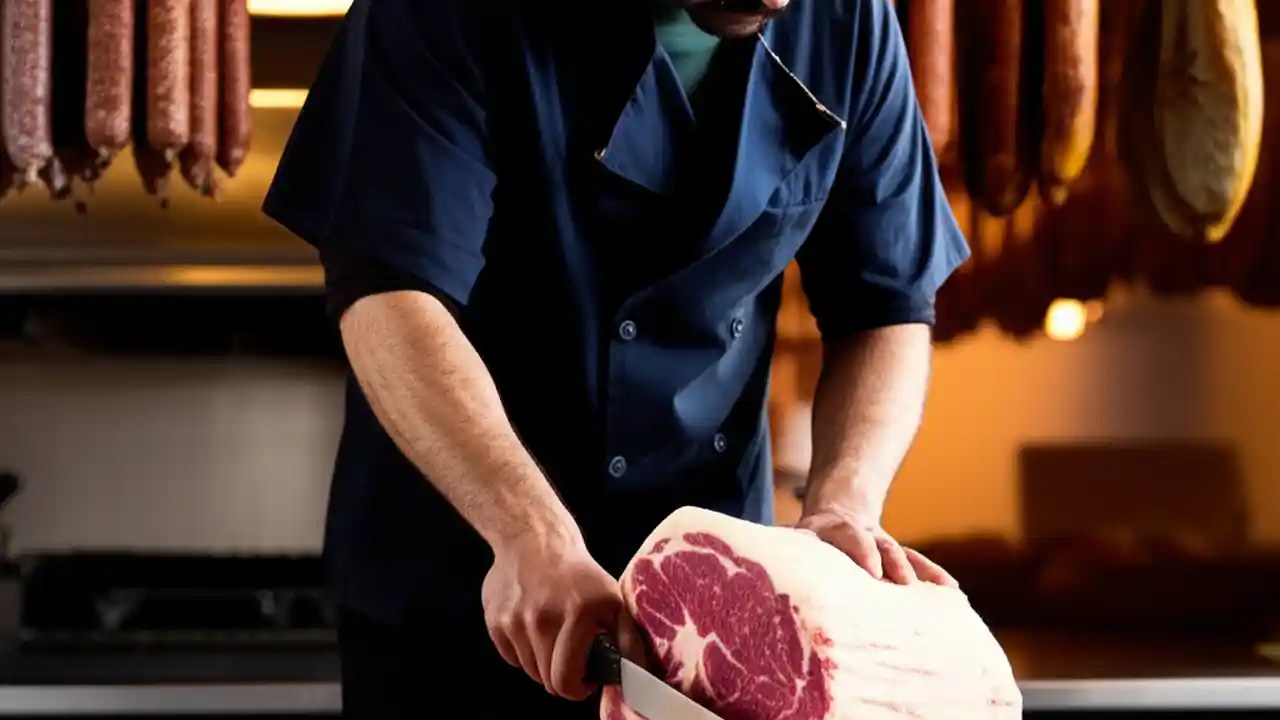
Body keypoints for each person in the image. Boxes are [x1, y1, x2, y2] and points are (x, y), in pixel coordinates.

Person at [263, 0, 969, 715]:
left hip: (714, 614)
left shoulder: (850, 18)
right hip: (467, 584)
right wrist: (524, 531)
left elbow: (886, 303)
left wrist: (845, 502)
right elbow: (390, 295)